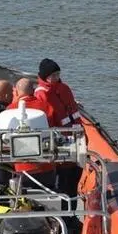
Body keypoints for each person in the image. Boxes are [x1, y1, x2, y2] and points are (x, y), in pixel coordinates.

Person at [33, 59, 82, 199]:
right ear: (45, 76)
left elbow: (72, 109)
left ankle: (71, 212)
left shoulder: (64, 88)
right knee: (63, 183)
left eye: (57, 74)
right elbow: (48, 119)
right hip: (60, 144)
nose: (56, 77)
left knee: (73, 181)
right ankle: (65, 214)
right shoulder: (42, 94)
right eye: (53, 75)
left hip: (75, 137)